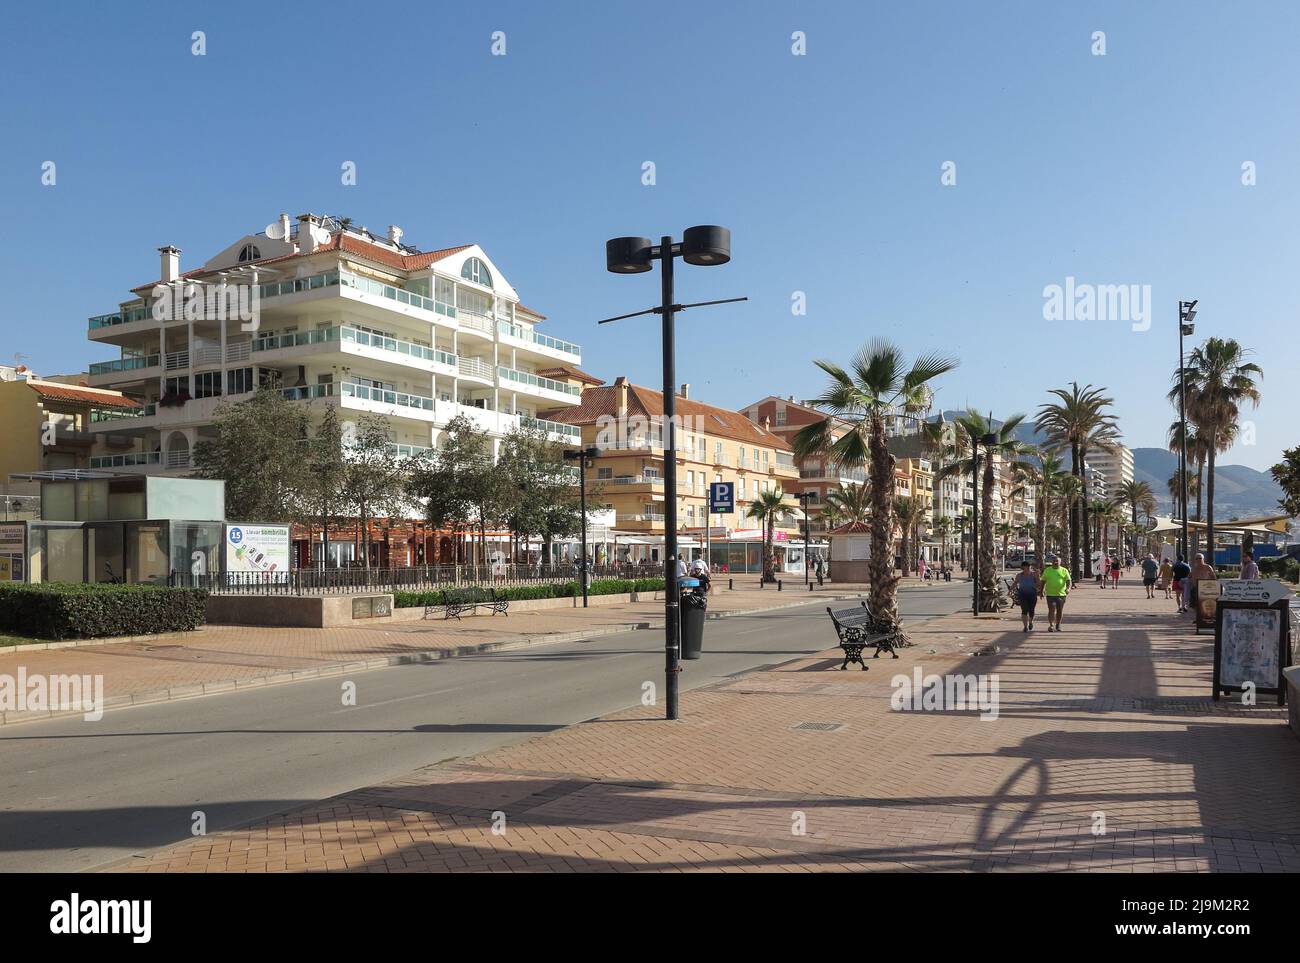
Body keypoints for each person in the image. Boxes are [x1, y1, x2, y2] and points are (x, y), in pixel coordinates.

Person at [1039, 553, 1072, 632]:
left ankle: (1058, 624)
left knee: (1059, 610)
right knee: (1051, 609)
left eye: (1057, 561)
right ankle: (1051, 625)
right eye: (1054, 561)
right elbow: (1043, 581)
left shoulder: (1064, 570)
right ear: (1052, 562)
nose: (1055, 562)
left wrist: (1068, 589)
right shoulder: (1047, 570)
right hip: (1050, 594)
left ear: (1060, 562)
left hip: (1061, 594)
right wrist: (1041, 591)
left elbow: (1069, 581)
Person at [1013, 561, 1041, 632]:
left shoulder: (1034, 575)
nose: (1028, 568)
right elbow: (1015, 583)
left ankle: (1030, 622)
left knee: (1031, 610)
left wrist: (1038, 577)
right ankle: (1025, 626)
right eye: (1026, 567)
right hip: (1022, 595)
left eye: (1029, 567)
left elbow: (1039, 584)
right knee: (1024, 610)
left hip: (1032, 594)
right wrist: (1010, 590)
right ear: (1022, 568)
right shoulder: (1019, 575)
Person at [1189, 552, 1216, 617]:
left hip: (1206, 589)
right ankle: (1198, 617)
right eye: (1197, 558)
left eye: (1200, 558)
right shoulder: (1193, 568)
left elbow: (1214, 577)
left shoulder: (1208, 567)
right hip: (1195, 588)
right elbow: (1189, 576)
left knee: (1205, 604)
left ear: (1203, 559)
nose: (1198, 560)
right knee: (1194, 605)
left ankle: (1205, 617)